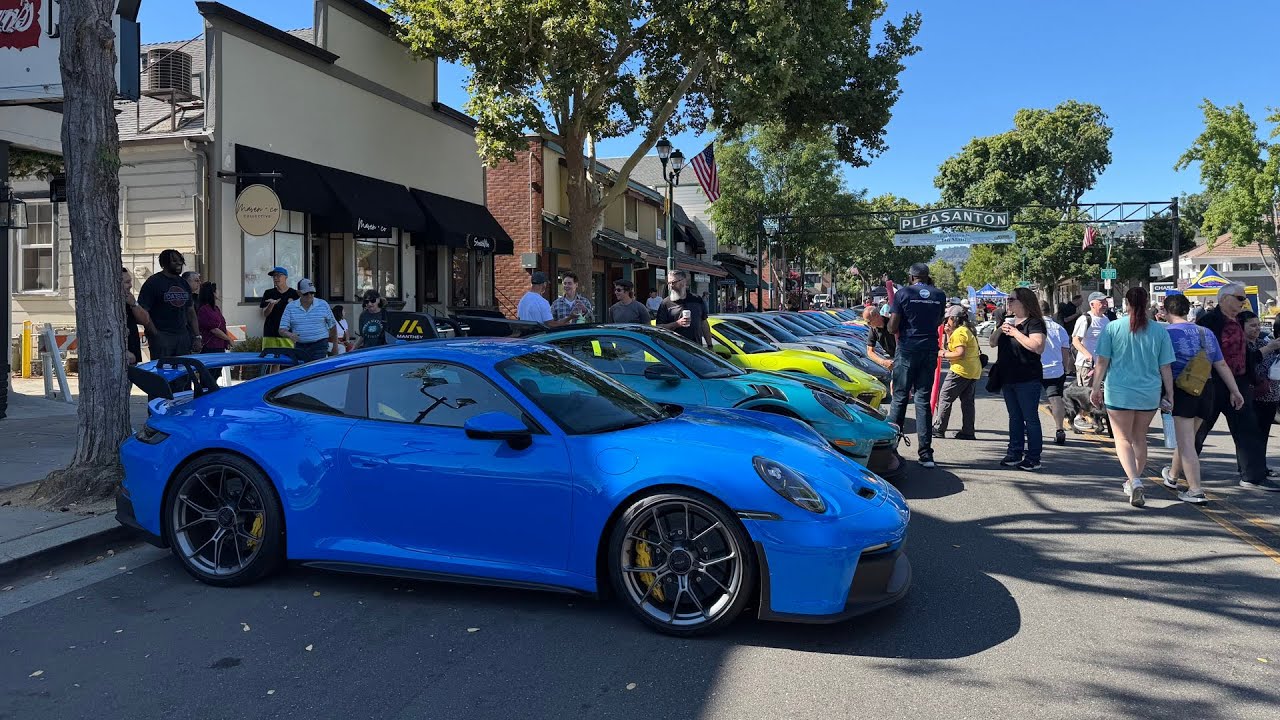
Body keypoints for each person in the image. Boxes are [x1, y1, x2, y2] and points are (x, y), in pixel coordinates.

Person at [1090, 286, 1175, 507]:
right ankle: (1134, 479)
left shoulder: (1113, 328)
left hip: (1119, 391)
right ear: (1147, 304)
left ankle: (1135, 480)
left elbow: (1102, 362)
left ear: (1126, 304)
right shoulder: (1159, 331)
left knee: (1122, 439)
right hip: (1148, 392)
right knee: (1140, 438)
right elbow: (1165, 366)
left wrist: (1095, 388)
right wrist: (1170, 393)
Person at [1193, 284, 1280, 491]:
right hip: (1213, 382)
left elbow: (1245, 354)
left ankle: (1253, 476)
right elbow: (1204, 354)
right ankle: (1180, 469)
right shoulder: (1209, 321)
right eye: (1239, 297)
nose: (1243, 301)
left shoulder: (1241, 321)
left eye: (1244, 298)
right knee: (1199, 429)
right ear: (1224, 298)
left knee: (1248, 429)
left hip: (1239, 382)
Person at [1159, 293, 1243, 503]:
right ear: (1187, 310)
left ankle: (1195, 489)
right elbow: (1220, 364)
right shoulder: (1205, 333)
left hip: (1181, 389)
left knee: (1186, 441)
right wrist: (1235, 390)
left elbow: (1163, 366)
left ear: (1167, 311)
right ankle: (1172, 476)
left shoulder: (1164, 333)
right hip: (1206, 388)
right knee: (1187, 437)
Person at [887, 262, 945, 468]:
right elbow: (939, 321)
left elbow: (893, 325)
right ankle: (926, 453)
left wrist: (892, 323)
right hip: (929, 349)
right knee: (922, 400)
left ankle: (889, 449)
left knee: (900, 398)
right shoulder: (939, 295)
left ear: (912, 277)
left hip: (907, 349)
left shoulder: (903, 294)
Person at [989, 287, 1047, 470]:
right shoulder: (1008, 321)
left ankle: (1033, 457)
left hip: (1028, 378)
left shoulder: (1035, 323)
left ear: (1023, 301)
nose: (1008, 302)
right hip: (1008, 377)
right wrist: (1001, 329)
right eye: (1008, 299)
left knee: (1030, 418)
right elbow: (992, 342)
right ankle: (1014, 452)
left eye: (1012, 299)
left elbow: (1037, 346)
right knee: (1014, 417)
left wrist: (1015, 332)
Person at [137, 249, 201, 357]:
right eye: (174, 261)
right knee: (164, 372)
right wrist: (156, 335)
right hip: (162, 336)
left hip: (182, 336)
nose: (179, 263)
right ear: (164, 263)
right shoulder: (153, 282)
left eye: (180, 260)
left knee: (183, 371)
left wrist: (197, 336)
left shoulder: (183, 283)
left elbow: (191, 312)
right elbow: (143, 312)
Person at [934, 305, 979, 440]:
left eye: (948, 319)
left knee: (945, 397)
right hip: (973, 370)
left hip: (961, 370)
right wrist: (948, 334)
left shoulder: (960, 332)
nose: (946, 322)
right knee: (967, 401)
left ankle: (939, 428)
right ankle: (968, 431)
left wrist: (942, 354)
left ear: (953, 319)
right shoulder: (966, 330)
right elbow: (954, 347)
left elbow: (959, 353)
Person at [1244, 311, 1280, 473]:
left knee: (1264, 434)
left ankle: (1261, 467)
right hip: (1253, 396)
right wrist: (1269, 348)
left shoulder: (1264, 341)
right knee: (1252, 435)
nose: (1257, 328)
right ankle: (1251, 469)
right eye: (1252, 325)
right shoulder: (1243, 346)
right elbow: (1249, 363)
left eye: (1258, 325)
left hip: (1271, 395)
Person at [1070, 292, 1111, 430]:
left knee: (1100, 391)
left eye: (1105, 302)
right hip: (1086, 364)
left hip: (1102, 364)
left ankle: (1096, 417)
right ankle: (1078, 417)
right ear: (1092, 304)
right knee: (1086, 393)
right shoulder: (1085, 319)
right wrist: (1088, 355)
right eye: (1101, 302)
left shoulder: (1106, 319)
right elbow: (1075, 341)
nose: (1105, 304)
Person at [279, 279, 338, 362]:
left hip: (320, 344)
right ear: (299, 293)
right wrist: (289, 334)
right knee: (304, 372)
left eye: (312, 292)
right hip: (300, 346)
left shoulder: (323, 304)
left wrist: (335, 347)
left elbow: (333, 326)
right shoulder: (290, 307)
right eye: (306, 293)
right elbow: (282, 329)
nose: (310, 295)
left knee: (317, 370)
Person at [1040, 300, 1073, 445]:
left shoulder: (1033, 327)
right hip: (1055, 369)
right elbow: (1065, 350)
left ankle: (1028, 426)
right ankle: (1060, 429)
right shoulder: (1059, 328)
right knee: (1056, 399)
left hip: (1035, 368)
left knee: (1031, 398)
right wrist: (1065, 367)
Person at [656, 269, 714, 349]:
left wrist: (710, 345)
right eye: (669, 283)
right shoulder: (666, 303)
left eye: (673, 282)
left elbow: (704, 323)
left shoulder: (697, 300)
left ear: (684, 282)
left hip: (696, 349)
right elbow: (659, 327)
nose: (670, 286)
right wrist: (677, 324)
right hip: (675, 350)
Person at [260, 266, 299, 350]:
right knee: (270, 360)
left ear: (286, 277)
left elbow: (299, 314)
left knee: (287, 360)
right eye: (274, 276)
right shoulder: (268, 293)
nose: (275, 278)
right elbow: (265, 314)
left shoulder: (294, 294)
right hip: (270, 333)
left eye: (278, 275)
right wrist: (271, 304)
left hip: (288, 333)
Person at [122, 267, 149, 365]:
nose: (130, 286)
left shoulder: (129, 300)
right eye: (127, 282)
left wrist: (134, 304)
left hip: (133, 353)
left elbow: (145, 320)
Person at [196, 283, 232, 354]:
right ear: (213, 293)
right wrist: (229, 339)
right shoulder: (204, 310)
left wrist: (226, 341)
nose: (219, 292)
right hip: (210, 346)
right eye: (216, 290)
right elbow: (214, 329)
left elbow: (222, 326)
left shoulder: (216, 309)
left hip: (220, 346)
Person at [862, 304, 895, 371]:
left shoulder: (892, 323)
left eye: (869, 321)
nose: (868, 324)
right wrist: (883, 362)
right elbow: (870, 351)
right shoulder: (873, 329)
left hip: (904, 358)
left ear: (877, 316)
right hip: (892, 360)